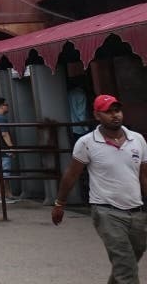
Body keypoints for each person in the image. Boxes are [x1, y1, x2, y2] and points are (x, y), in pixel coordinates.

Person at [52, 95, 147, 284]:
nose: (115, 116)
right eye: (108, 112)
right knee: (126, 267)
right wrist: (60, 203)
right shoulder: (87, 143)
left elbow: (144, 176)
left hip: (137, 211)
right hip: (106, 211)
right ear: (97, 115)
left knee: (127, 262)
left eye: (117, 110)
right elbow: (72, 174)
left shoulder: (137, 140)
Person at [0, 97, 17, 203]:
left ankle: (8, 194)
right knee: (3, 174)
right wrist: (12, 148)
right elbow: (4, 134)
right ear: (1, 106)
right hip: (4, 150)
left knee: (2, 173)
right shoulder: (1, 118)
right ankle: (1, 196)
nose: (7, 106)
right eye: (6, 104)